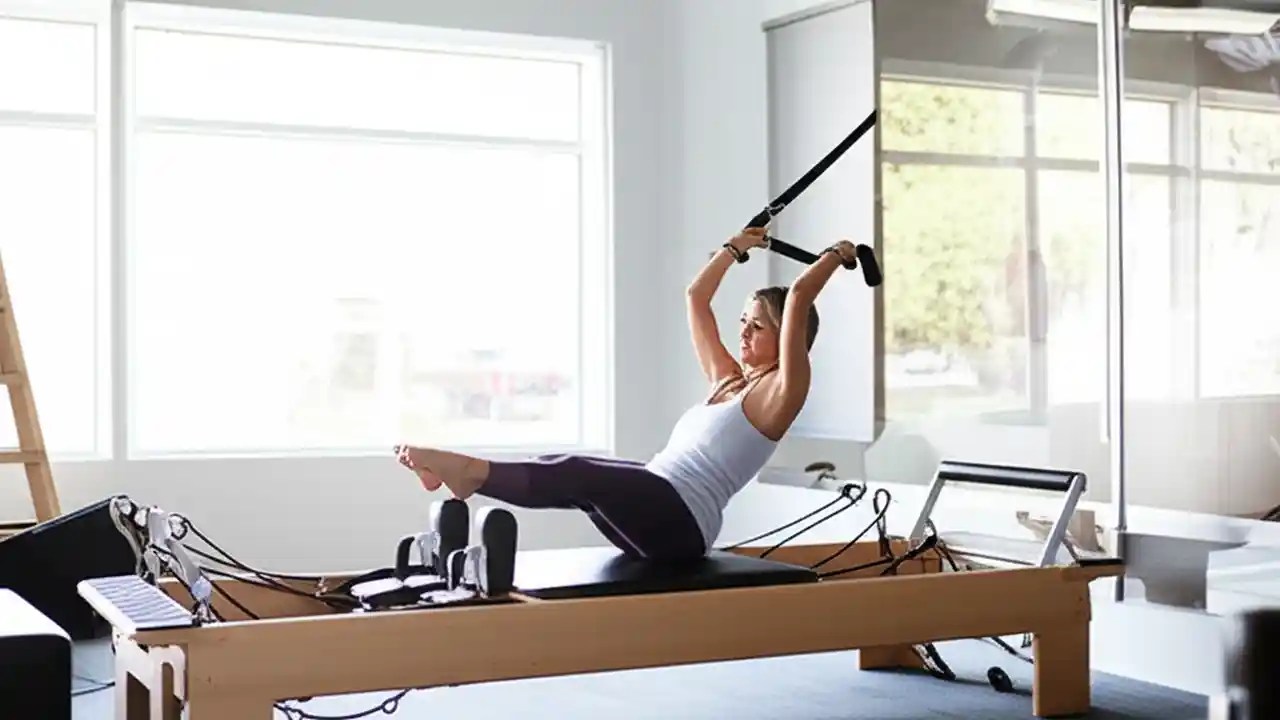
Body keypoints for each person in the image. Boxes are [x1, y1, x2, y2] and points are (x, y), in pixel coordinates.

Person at [395, 227, 858, 561]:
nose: (743, 332)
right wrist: (732, 249)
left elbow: (798, 296)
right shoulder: (727, 380)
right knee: (568, 465)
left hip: (682, 523)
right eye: (743, 321)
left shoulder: (780, 394)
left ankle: (469, 473)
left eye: (758, 326)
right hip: (657, 498)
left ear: (786, 340)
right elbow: (696, 298)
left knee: (577, 473)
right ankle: (469, 474)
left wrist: (836, 254)